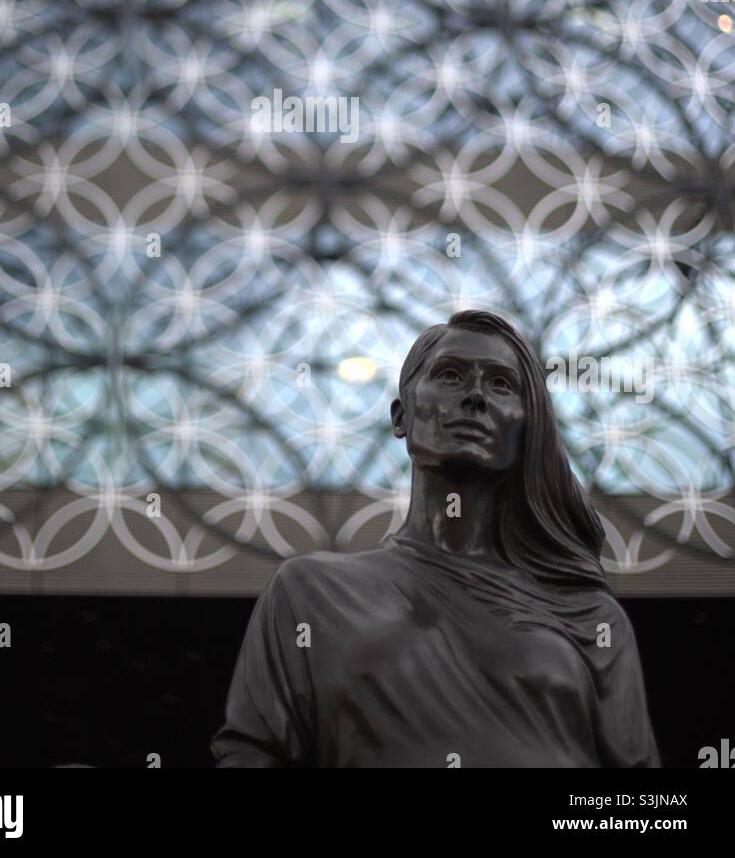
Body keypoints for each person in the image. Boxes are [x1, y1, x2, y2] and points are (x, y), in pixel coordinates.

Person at [211, 310, 660, 768]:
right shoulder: (309, 592)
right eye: (450, 375)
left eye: (501, 384)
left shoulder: (588, 615)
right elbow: (251, 753)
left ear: (528, 426)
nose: (475, 397)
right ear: (401, 415)